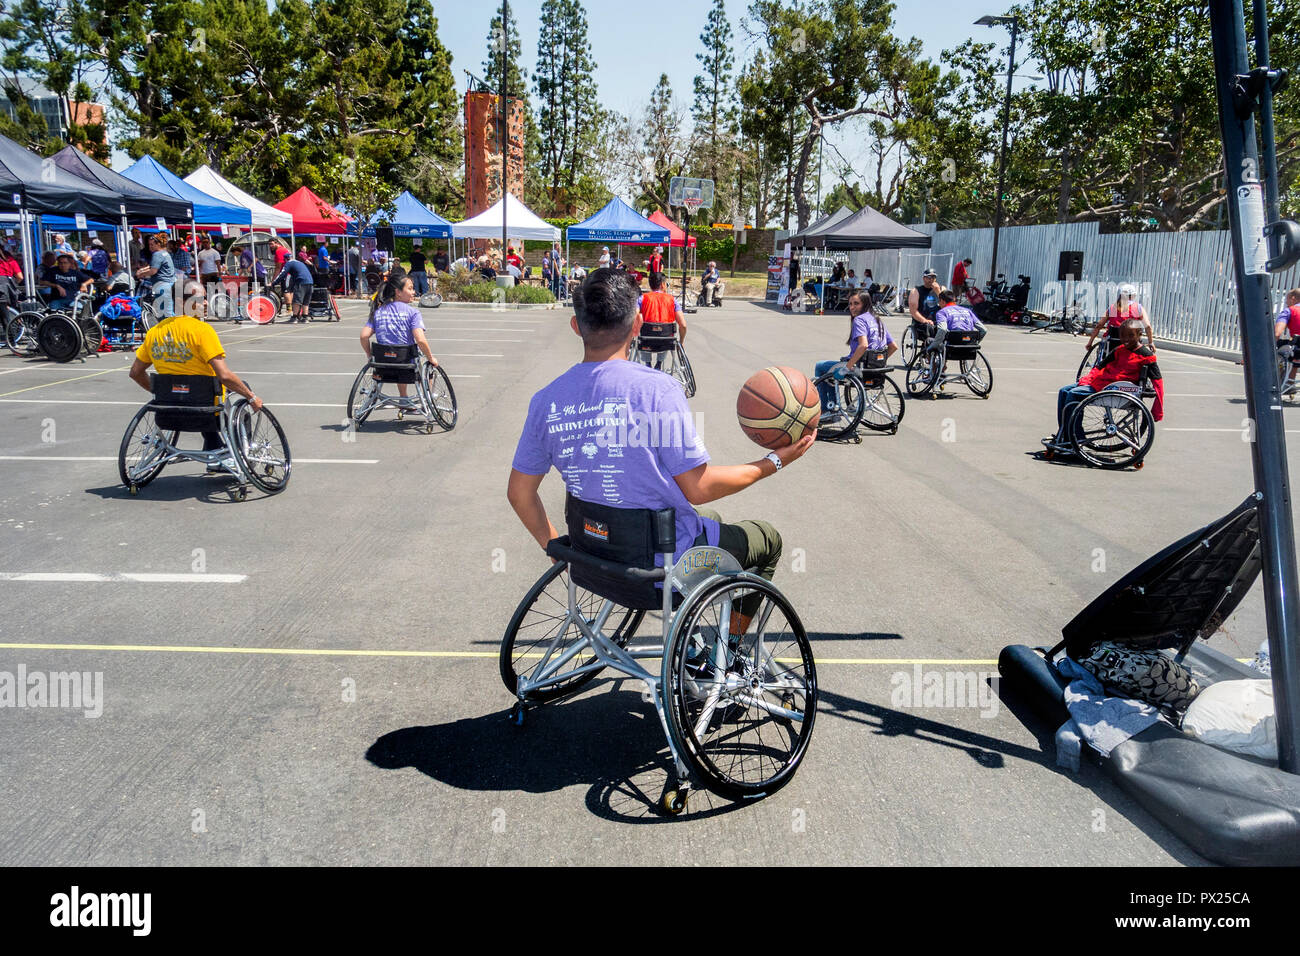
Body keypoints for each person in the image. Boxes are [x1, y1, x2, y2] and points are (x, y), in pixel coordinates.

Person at [507, 268, 815, 639]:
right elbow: (698, 487)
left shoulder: (546, 400)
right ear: (637, 323)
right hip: (659, 571)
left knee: (706, 516)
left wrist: (555, 546)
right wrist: (775, 462)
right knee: (767, 540)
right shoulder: (658, 391)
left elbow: (519, 493)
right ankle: (729, 648)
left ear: (576, 325)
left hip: (592, 558)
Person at [128, 311, 263, 474]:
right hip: (205, 410)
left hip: (167, 410)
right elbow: (225, 375)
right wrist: (251, 396)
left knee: (199, 397)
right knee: (236, 394)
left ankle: (215, 447)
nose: (205, 303)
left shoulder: (155, 332)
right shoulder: (202, 330)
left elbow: (135, 372)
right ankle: (238, 455)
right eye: (201, 298)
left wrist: (161, 394)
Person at [1047, 318, 1164, 448]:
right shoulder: (1120, 349)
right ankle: (1064, 433)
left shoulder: (1147, 355)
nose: (1126, 339)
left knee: (1072, 395)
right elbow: (1100, 366)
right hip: (1102, 383)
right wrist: (1088, 379)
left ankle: (1074, 439)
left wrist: (1157, 408)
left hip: (1118, 389)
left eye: (1130, 336)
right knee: (1063, 391)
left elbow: (1158, 382)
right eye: (1122, 335)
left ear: (1139, 335)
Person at [814, 290, 896, 421]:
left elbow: (863, 345)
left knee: (820, 367)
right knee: (830, 369)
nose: (852, 307)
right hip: (874, 370)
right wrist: (877, 363)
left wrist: (847, 367)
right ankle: (832, 405)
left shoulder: (859, 320)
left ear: (865, 304)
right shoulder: (878, 320)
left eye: (856, 303)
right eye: (850, 304)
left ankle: (828, 408)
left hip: (858, 368)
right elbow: (893, 346)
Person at [361, 271, 440, 405]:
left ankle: (403, 397)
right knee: (425, 364)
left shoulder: (378, 312)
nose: (414, 292)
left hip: (382, 364)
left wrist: (369, 355)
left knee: (396, 355)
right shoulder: (412, 313)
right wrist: (431, 358)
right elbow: (420, 340)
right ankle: (429, 399)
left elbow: (364, 336)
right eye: (410, 288)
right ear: (398, 292)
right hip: (406, 364)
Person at [1085, 283, 1153, 356]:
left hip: (1111, 343)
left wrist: (1090, 342)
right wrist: (1151, 342)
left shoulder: (1113, 308)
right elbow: (1148, 326)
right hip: (1131, 343)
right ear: (1133, 296)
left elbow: (1099, 326)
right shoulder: (1138, 308)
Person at [637, 270, 686, 370]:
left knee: (643, 336)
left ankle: (647, 363)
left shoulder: (642, 298)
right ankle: (659, 363)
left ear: (651, 285)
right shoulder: (672, 300)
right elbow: (683, 325)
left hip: (646, 339)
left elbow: (633, 317)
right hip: (665, 340)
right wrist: (681, 341)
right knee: (666, 336)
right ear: (663, 284)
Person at [135, 233, 177, 317]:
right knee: (168, 310)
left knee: (166, 313)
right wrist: (142, 270)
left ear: (158, 244)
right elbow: (152, 266)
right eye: (149, 244)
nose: (150, 247)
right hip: (170, 283)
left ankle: (173, 329)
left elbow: (153, 271)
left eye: (152, 245)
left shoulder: (157, 254)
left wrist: (141, 275)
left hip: (162, 285)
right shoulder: (165, 253)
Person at [271, 256, 314, 323]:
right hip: (310, 282)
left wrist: (273, 283)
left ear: (285, 259)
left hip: (301, 282)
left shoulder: (289, 263)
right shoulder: (300, 263)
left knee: (296, 301)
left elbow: (283, 273)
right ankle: (305, 318)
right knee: (306, 301)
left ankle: (294, 318)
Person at [1273, 288, 1300, 396]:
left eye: (1287, 299)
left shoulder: (1289, 311)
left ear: (1292, 298)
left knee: (1285, 348)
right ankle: (1290, 381)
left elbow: (1277, 333)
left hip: (1297, 349)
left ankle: (1283, 382)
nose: (1286, 302)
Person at [907, 268, 944, 346]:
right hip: (922, 322)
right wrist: (924, 320)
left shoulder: (941, 289)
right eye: (929, 277)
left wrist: (938, 292)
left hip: (938, 321)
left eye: (933, 277)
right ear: (924, 278)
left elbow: (947, 307)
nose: (931, 280)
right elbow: (913, 311)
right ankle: (929, 353)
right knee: (929, 328)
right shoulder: (916, 291)